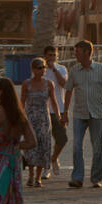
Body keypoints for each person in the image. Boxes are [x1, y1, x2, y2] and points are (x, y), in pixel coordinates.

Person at [62, 39, 102, 188]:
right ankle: (77, 177)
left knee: (97, 146)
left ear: (86, 53)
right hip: (79, 113)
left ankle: (96, 177)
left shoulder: (100, 69)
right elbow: (69, 91)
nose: (75, 55)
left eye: (78, 52)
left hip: (97, 113)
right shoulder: (74, 71)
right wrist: (65, 112)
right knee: (77, 146)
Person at [19, 57, 57, 188]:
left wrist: (58, 116)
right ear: (33, 69)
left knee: (43, 146)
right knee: (31, 146)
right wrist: (20, 117)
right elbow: (22, 101)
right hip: (30, 118)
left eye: (44, 67)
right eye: (39, 68)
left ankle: (38, 177)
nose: (42, 70)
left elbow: (53, 100)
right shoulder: (26, 84)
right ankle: (30, 175)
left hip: (44, 118)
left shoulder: (49, 84)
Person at [43, 44, 68, 176]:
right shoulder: (40, 69)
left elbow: (64, 84)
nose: (52, 57)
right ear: (45, 56)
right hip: (45, 110)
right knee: (46, 140)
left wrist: (54, 70)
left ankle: (53, 158)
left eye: (54, 55)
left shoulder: (61, 68)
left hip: (59, 109)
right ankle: (46, 167)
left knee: (62, 138)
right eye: (49, 55)